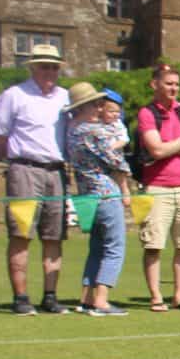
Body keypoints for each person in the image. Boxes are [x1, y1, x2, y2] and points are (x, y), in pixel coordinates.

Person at [0, 41, 70, 315]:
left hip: (56, 170)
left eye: (53, 67)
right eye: (44, 66)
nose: (49, 72)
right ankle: (21, 297)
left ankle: (50, 295)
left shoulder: (65, 97)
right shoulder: (14, 95)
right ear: (33, 68)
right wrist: (15, 162)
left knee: (53, 236)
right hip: (24, 168)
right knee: (21, 233)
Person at [131, 64, 180, 311]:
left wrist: (172, 145)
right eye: (168, 83)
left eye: (176, 84)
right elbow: (155, 150)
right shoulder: (147, 113)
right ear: (155, 85)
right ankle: (156, 296)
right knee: (154, 245)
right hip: (156, 188)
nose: (173, 88)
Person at [63, 83, 135, 315]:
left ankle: (86, 298)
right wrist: (125, 188)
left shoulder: (71, 130)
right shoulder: (94, 131)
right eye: (95, 103)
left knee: (96, 247)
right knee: (114, 247)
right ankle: (101, 301)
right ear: (85, 106)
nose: (99, 107)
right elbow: (118, 163)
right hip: (105, 193)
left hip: (86, 194)